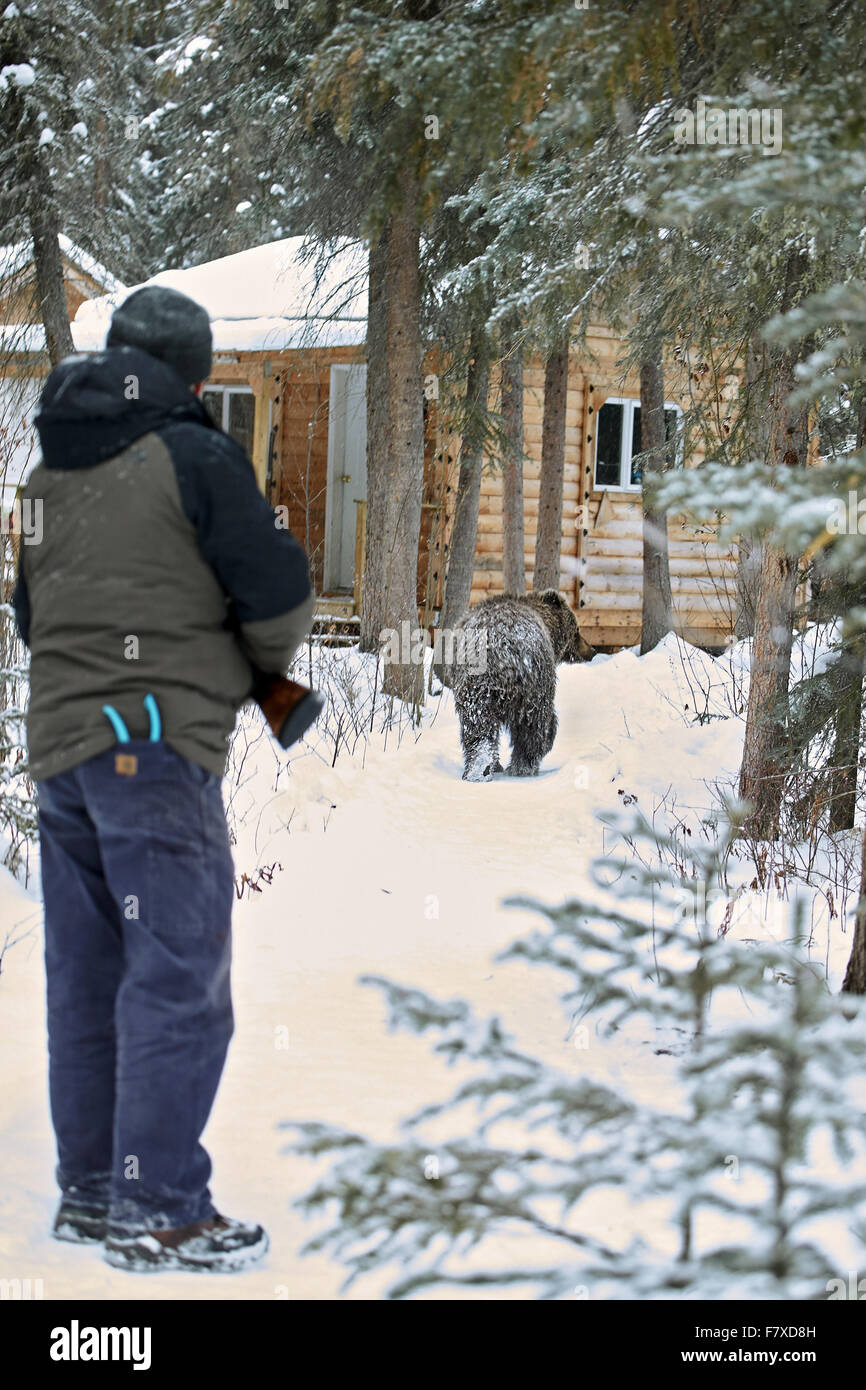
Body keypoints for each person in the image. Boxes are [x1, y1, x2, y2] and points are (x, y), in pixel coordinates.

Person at [12, 285, 315, 1273]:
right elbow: (276, 590)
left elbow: (29, 615)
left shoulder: (54, 460)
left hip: (62, 751)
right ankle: (161, 1209)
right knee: (178, 981)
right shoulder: (196, 452)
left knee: (89, 976)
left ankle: (95, 1193)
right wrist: (253, 670)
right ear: (193, 375)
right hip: (152, 754)